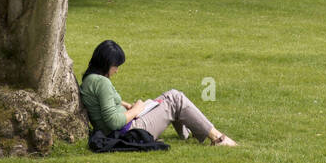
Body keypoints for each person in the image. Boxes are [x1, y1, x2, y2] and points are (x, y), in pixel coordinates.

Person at [79, 40, 237, 147]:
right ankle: (217, 138)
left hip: (124, 128)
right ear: (105, 63)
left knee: (168, 97)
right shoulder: (102, 82)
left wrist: (127, 105)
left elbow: (105, 103)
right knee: (175, 98)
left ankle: (192, 132)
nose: (117, 70)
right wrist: (136, 110)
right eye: (115, 66)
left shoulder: (89, 80)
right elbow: (114, 121)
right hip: (129, 131)